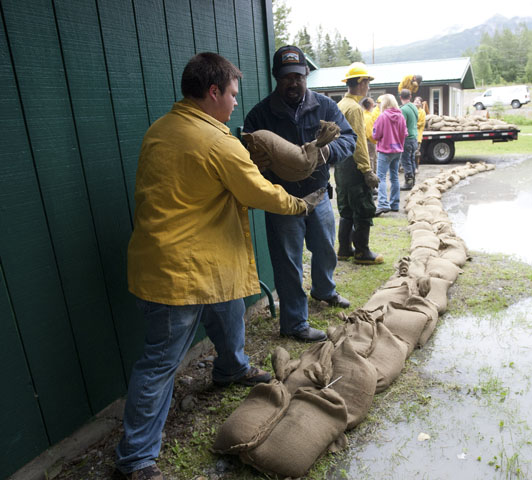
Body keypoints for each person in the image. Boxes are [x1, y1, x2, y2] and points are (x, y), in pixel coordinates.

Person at [116, 52, 323, 480]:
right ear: (212, 92)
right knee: (158, 364)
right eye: (230, 94)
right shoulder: (217, 142)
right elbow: (259, 193)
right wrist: (299, 203)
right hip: (181, 271)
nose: (234, 102)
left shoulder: (162, 128)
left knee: (229, 309)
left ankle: (231, 367)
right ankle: (136, 460)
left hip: (183, 260)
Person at [243, 46, 356, 341]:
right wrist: (260, 164)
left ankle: (324, 290)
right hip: (282, 199)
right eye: (285, 78)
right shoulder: (260, 114)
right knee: (288, 261)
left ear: (306, 74)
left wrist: (326, 152)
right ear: (276, 79)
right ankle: (295, 323)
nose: (293, 83)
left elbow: (349, 140)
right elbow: (246, 156)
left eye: (298, 76)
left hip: (317, 193)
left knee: (325, 249)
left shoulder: (325, 106)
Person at [336, 62, 383, 265]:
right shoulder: (354, 109)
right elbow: (358, 142)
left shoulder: (340, 104)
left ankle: (344, 249)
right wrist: (367, 170)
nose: (369, 87)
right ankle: (362, 252)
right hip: (354, 167)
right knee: (363, 209)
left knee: (346, 209)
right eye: (368, 82)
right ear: (361, 82)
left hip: (340, 166)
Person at [373, 94, 407, 216]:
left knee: (380, 177)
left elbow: (375, 135)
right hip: (398, 151)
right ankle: (395, 204)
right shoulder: (401, 116)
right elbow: (405, 133)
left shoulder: (382, 117)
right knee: (394, 177)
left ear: (384, 104)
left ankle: (382, 204)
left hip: (384, 151)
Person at [399, 88, 419, 190]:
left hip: (407, 139)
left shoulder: (403, 109)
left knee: (405, 160)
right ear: (410, 96)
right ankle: (413, 181)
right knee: (411, 159)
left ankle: (408, 182)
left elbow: (402, 125)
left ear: (400, 97)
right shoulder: (414, 107)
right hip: (415, 137)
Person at [361, 96, 378, 173]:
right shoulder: (368, 116)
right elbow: (369, 132)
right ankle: (373, 175)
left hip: (368, 140)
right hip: (370, 140)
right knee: (372, 158)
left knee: (373, 158)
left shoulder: (364, 114)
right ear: (371, 105)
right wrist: (375, 140)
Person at [413, 96, 427, 169]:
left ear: (421, 104)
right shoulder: (411, 110)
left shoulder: (422, 112)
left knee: (416, 153)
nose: (416, 102)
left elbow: (421, 123)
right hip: (409, 135)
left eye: (418, 101)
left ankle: (416, 167)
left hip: (417, 135)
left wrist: (412, 124)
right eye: (415, 101)